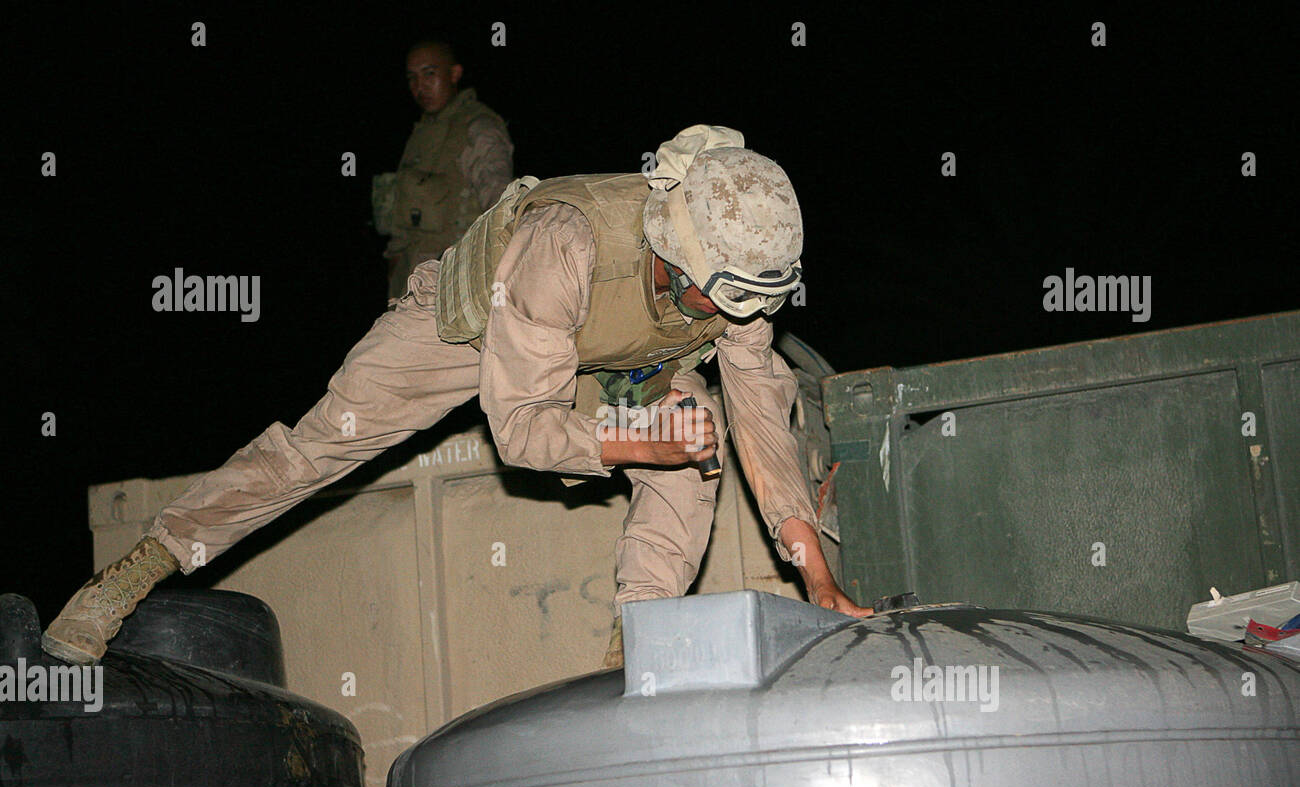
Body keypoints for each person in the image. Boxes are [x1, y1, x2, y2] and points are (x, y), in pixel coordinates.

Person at [43, 125, 872, 671]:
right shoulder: (567, 242)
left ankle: (639, 651)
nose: (729, 322)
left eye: (746, 308)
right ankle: (139, 566)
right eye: (716, 302)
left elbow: (762, 418)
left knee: (696, 441)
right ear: (673, 251)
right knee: (321, 446)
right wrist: (636, 444)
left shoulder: (733, 287)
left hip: (605, 361)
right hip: (474, 326)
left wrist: (816, 575)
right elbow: (521, 432)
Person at [379, 36, 514, 299]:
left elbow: (500, 204)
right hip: (409, 284)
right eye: (412, 78)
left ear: (455, 74)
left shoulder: (479, 127)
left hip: (452, 285)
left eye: (430, 74)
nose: (420, 86)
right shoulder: (422, 132)